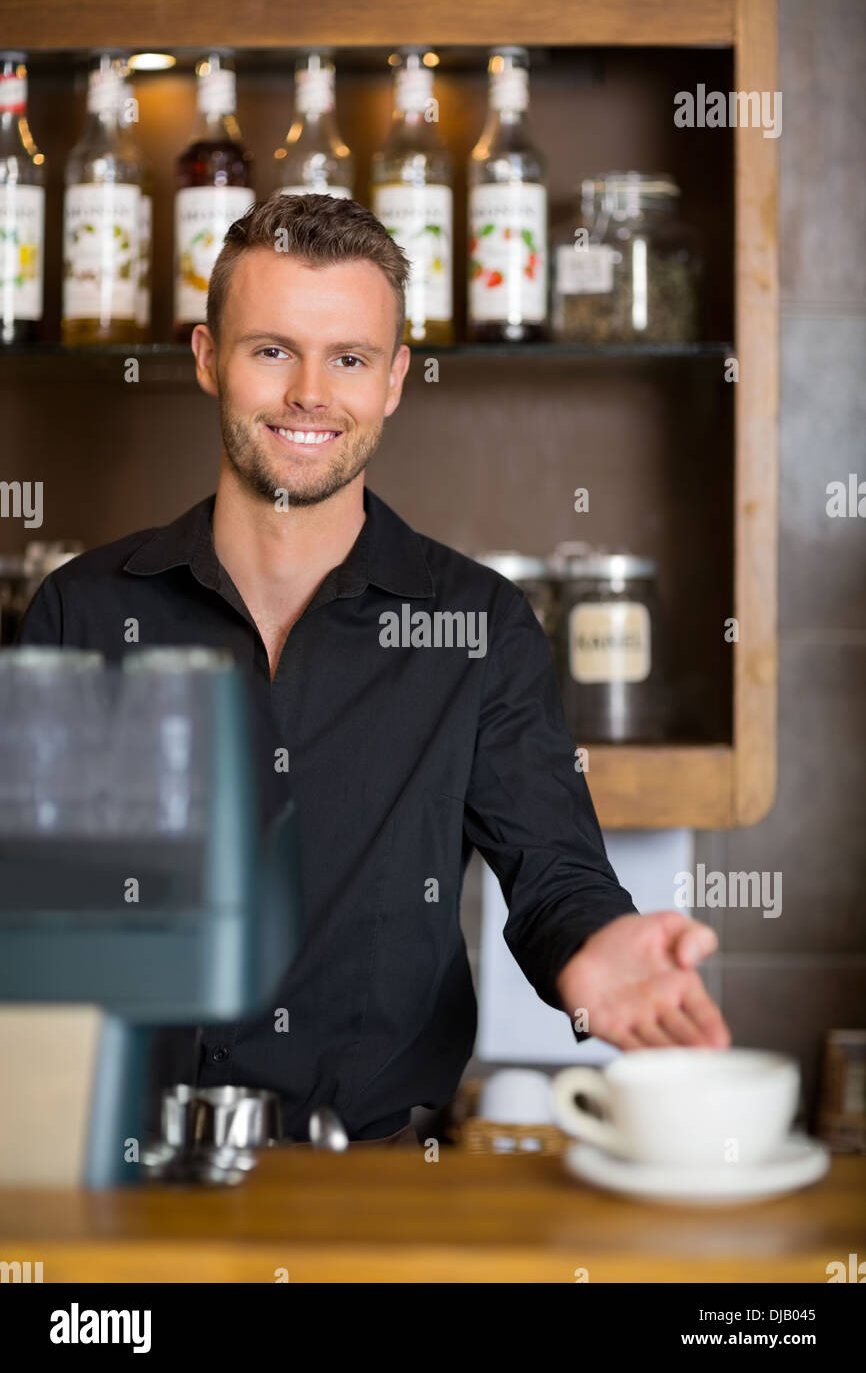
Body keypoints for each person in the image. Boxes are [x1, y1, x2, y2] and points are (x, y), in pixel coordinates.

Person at [17, 193, 730, 1145]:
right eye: (272, 350)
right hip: (118, 1160)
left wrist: (598, 954)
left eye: (348, 357)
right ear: (206, 359)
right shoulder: (85, 609)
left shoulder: (480, 625)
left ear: (393, 379)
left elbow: (555, 874)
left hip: (372, 1179)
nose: (310, 391)